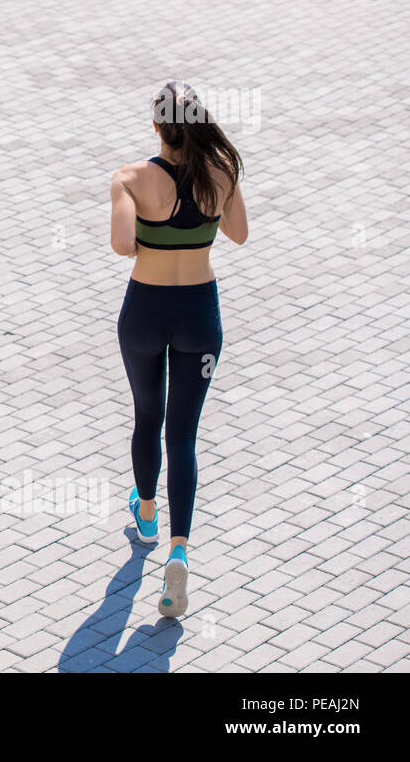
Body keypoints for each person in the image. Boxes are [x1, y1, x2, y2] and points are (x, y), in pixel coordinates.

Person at [109, 81, 249, 618]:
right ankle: (180, 551)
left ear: (156, 128)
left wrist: (154, 220)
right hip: (199, 315)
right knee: (183, 434)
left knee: (148, 416)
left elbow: (123, 245)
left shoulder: (130, 179)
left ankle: (145, 514)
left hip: (145, 312)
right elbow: (237, 234)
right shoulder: (221, 173)